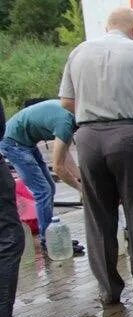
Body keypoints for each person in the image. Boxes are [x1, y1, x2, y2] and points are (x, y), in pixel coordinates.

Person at [60, 7, 133, 306]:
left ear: (106, 26)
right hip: (131, 137)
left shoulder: (79, 52)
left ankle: (109, 290)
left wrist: (93, 115)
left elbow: (66, 101)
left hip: (87, 138)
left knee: (98, 218)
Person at [0, 99, 57, 317]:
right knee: (8, 243)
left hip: (16, 142)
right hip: (12, 143)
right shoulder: (64, 119)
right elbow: (61, 158)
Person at [0, 99, 85, 256]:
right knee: (43, 191)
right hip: (12, 143)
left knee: (50, 188)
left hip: (26, 142)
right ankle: (47, 240)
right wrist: (81, 189)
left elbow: (65, 155)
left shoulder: (71, 115)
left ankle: (50, 234)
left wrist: (82, 180)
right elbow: (58, 167)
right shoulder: (65, 123)